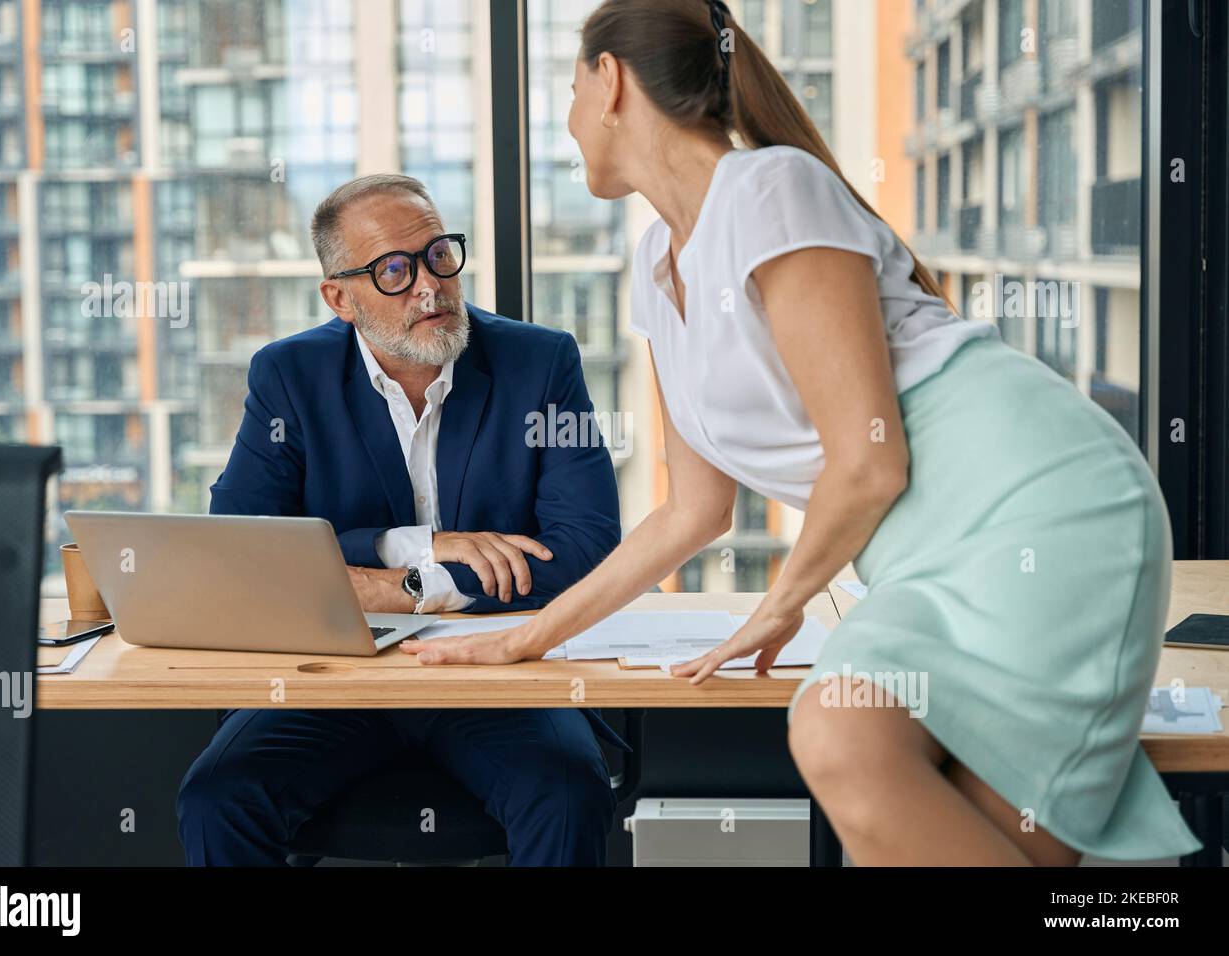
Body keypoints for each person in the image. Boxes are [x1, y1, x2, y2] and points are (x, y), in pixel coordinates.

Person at [401, 0, 1202, 865]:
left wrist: (780, 604)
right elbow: (694, 513)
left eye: (567, 88)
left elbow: (867, 460)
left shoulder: (769, 187)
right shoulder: (656, 266)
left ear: (611, 81)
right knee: (950, 815)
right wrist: (533, 633)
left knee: (841, 736)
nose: (565, 119)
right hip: (915, 562)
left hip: (1035, 508)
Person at [177, 174, 625, 866]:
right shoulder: (288, 376)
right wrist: (421, 549)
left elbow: (588, 549)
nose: (430, 287)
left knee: (568, 794)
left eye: (440, 254)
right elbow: (243, 552)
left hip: (496, 673)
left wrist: (407, 585)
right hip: (336, 677)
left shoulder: (541, 364)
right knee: (216, 798)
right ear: (340, 297)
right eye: (394, 269)